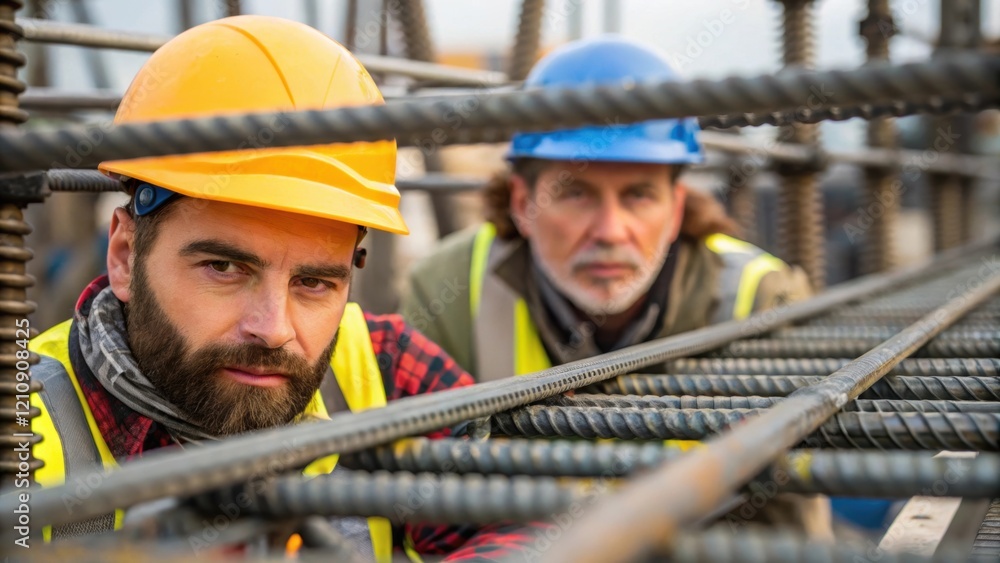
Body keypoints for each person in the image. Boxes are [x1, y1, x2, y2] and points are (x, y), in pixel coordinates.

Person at [26, 15, 520, 561]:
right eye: (223, 268)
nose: (273, 329)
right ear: (124, 255)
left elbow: (521, 520)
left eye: (313, 282)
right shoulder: (28, 429)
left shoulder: (379, 365)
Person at [400, 36, 828, 537]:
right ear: (522, 203)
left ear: (675, 210)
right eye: (576, 193)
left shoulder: (761, 300)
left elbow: (784, 531)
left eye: (639, 195)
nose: (609, 230)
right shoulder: (447, 293)